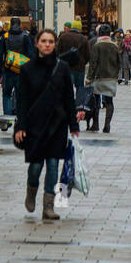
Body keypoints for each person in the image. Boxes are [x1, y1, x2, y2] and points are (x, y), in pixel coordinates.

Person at [14, 28, 80, 221]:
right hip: (34, 125)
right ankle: (31, 190)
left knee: (52, 166)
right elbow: (22, 100)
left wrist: (73, 125)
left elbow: (69, 97)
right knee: (35, 167)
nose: (47, 44)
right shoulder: (27, 69)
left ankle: (48, 206)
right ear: (37, 44)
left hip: (57, 125)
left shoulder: (62, 68)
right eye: (43, 41)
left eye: (51, 41)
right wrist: (20, 126)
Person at [85, 23, 122, 133]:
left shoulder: (97, 46)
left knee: (96, 101)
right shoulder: (114, 46)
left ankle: (95, 124)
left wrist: (88, 78)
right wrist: (115, 75)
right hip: (111, 77)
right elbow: (118, 63)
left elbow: (93, 63)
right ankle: (107, 125)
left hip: (98, 77)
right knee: (109, 102)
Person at [0, 16, 34, 116]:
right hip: (22, 71)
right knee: (21, 95)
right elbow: (31, 55)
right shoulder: (25, 36)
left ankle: (7, 119)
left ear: (10, 25)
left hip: (8, 70)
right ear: (20, 25)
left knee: (6, 94)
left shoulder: (5, 36)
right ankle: (19, 117)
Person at [58, 20, 90, 101]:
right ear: (80, 28)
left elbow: (58, 52)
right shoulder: (83, 39)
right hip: (79, 68)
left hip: (66, 67)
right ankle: (79, 105)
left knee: (67, 87)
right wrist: (83, 63)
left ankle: (68, 104)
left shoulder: (63, 37)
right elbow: (88, 55)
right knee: (80, 87)